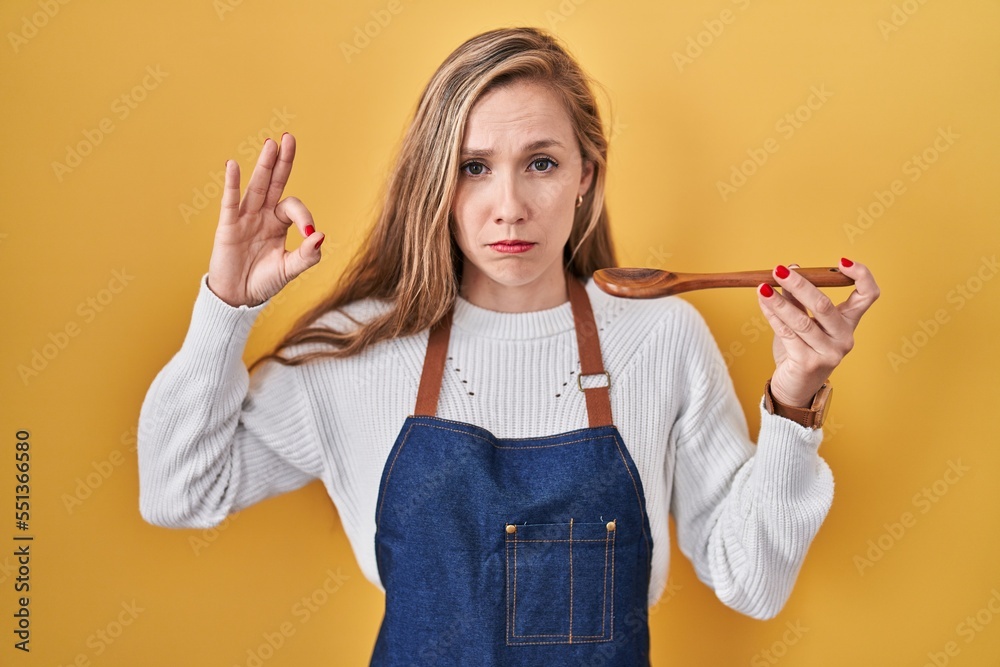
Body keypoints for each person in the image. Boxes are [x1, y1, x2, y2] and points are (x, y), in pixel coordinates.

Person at [138, 26, 879, 665]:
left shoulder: (661, 338)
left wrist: (795, 402)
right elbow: (179, 494)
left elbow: (751, 580)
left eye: (543, 163)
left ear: (586, 176)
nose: (510, 206)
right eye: (474, 167)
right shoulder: (358, 350)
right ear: (437, 183)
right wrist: (226, 308)